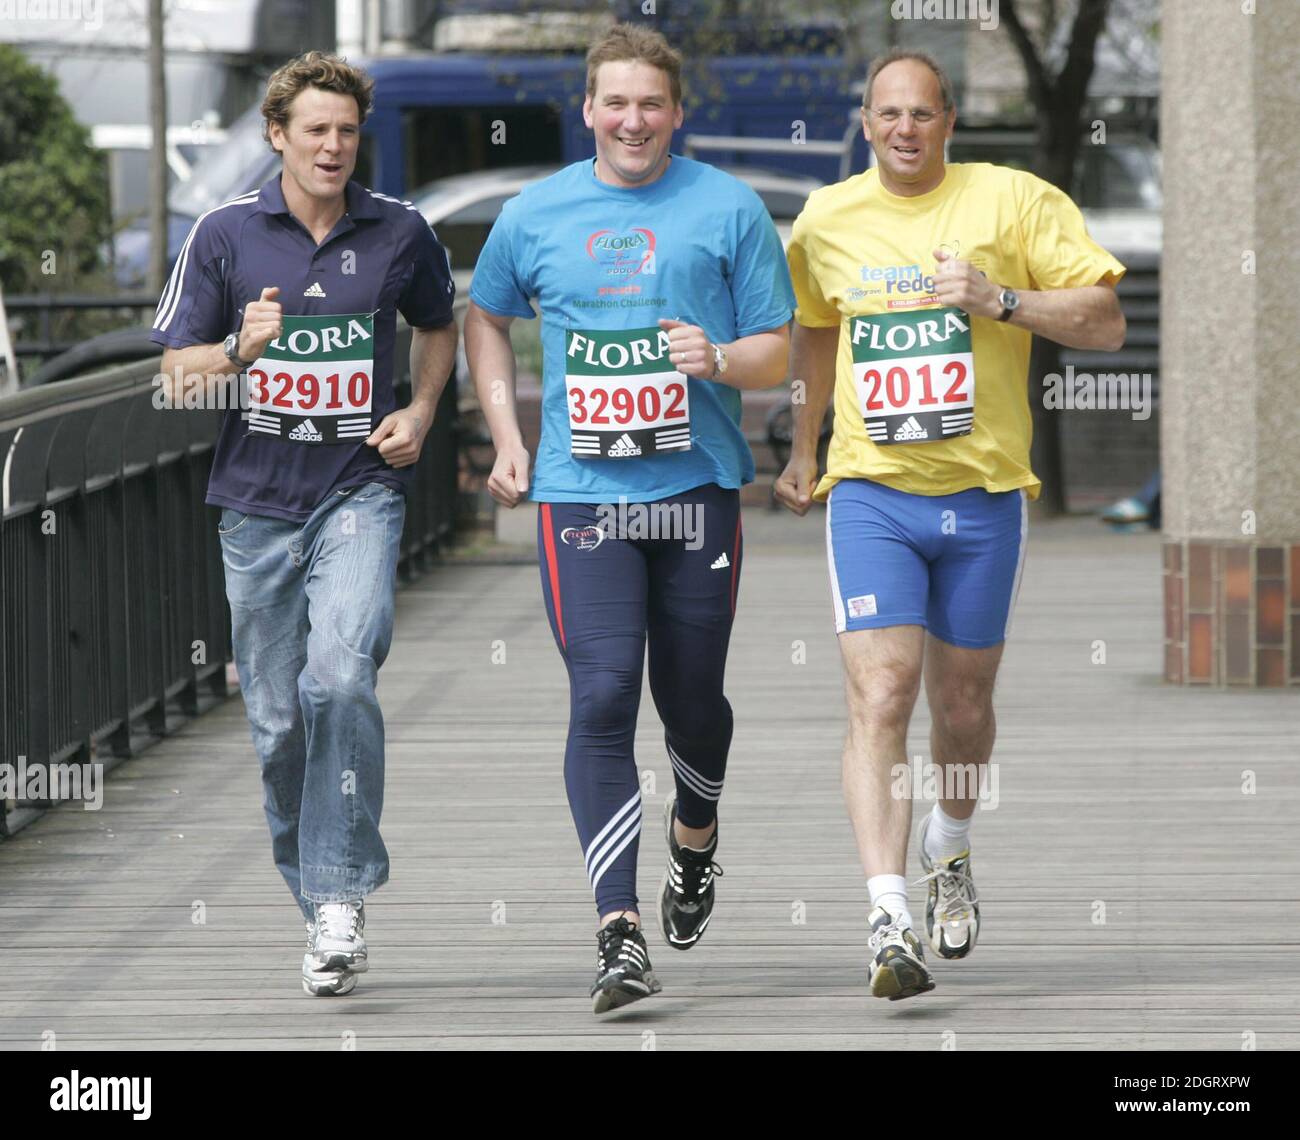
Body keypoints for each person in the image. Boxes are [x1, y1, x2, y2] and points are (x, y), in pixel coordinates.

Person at [776, 49, 1126, 1000]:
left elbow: (1104, 320)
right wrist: (804, 447)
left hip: (982, 499)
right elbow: (815, 328)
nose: (904, 130)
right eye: (887, 114)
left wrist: (997, 298)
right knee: (882, 693)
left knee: (961, 712)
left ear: (950, 120)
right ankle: (889, 918)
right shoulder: (826, 219)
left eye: (922, 114)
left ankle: (952, 846)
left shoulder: (1014, 202)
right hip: (872, 493)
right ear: (863, 122)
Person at [465, 23, 793, 1014]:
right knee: (603, 694)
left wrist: (720, 362)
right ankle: (618, 931)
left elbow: (778, 348)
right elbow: (484, 312)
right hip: (580, 497)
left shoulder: (726, 207)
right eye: (616, 101)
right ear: (589, 109)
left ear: (676, 112)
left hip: (695, 495)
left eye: (651, 102)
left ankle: (696, 840)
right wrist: (504, 434)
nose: (633, 119)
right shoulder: (534, 212)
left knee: (691, 701)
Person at [150, 51, 457, 996]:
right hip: (255, 511)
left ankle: (339, 898)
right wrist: (238, 349)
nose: (333, 146)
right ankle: (319, 890)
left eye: (347, 131)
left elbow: (440, 323)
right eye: (315, 130)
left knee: (341, 673)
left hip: (358, 494)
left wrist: (419, 411)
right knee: (279, 724)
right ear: (277, 136)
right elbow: (173, 380)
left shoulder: (400, 231)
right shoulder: (225, 234)